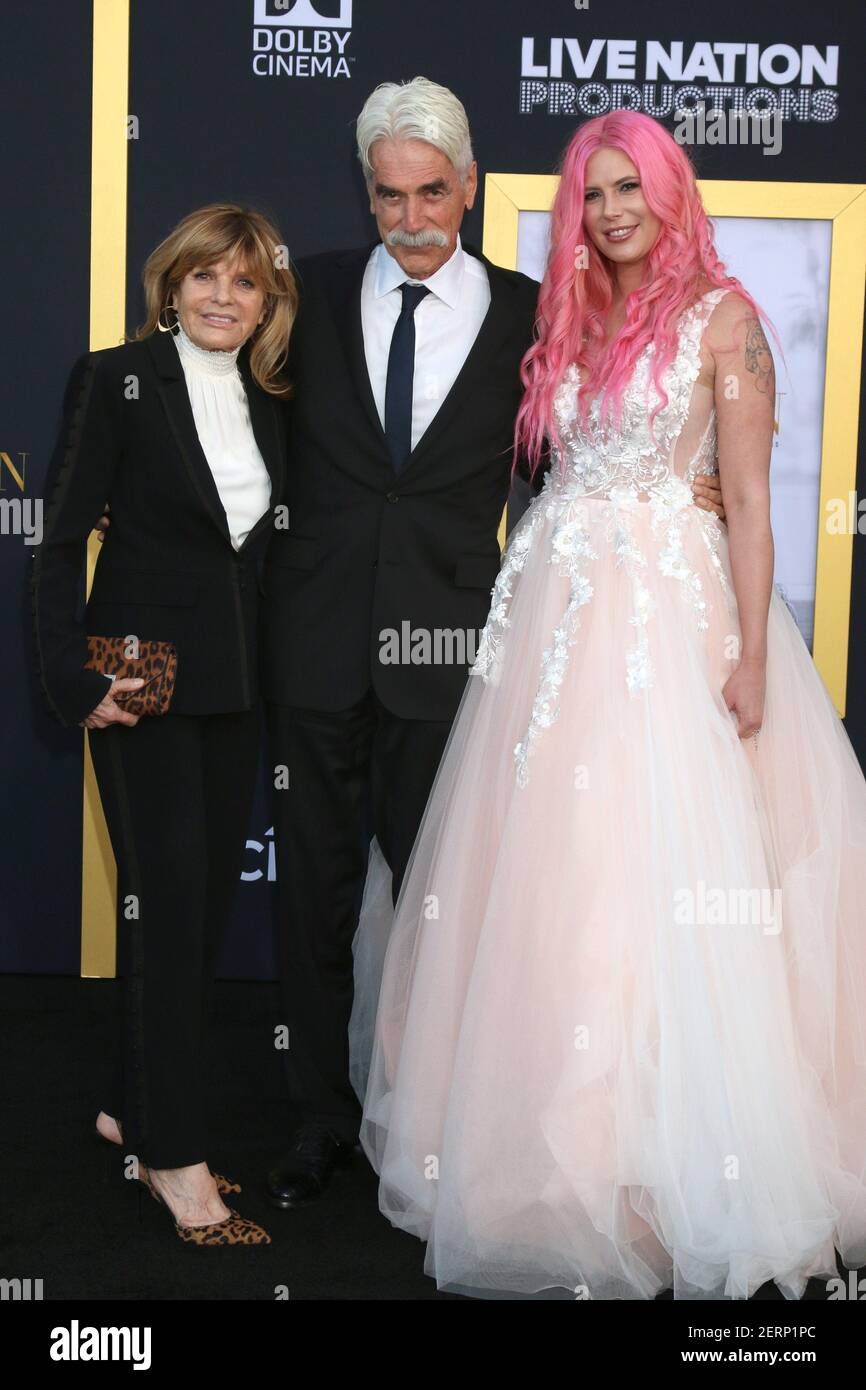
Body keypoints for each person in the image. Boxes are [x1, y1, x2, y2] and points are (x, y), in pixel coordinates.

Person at [356, 110, 866, 1300]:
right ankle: (552, 1162)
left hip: (672, 626)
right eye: (591, 194)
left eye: (631, 188)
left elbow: (747, 502)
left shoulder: (726, 323)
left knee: (666, 878)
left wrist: (745, 654)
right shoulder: (568, 319)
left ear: (671, 191)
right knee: (559, 878)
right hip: (549, 627)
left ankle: (674, 1170)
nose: (612, 211)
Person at [262, 77, 730, 1210]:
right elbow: (233, 424)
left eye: (432, 192)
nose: (411, 216)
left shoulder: (539, 311)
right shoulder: (306, 295)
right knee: (314, 896)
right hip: (318, 642)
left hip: (461, 654)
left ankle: (431, 1127)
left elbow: (570, 454)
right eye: (388, 196)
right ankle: (322, 1119)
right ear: (365, 193)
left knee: (455, 909)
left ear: (469, 187)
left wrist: (679, 490)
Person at [33, 203, 296, 1244]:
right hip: (135, 678)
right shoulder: (117, 380)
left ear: (266, 298)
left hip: (234, 686)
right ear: (170, 286)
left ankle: (135, 1112)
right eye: (204, 279)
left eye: (244, 281)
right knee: (166, 907)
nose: (223, 297)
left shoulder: (275, 397)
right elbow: (57, 543)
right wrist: (69, 674)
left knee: (191, 916)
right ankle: (175, 1159)